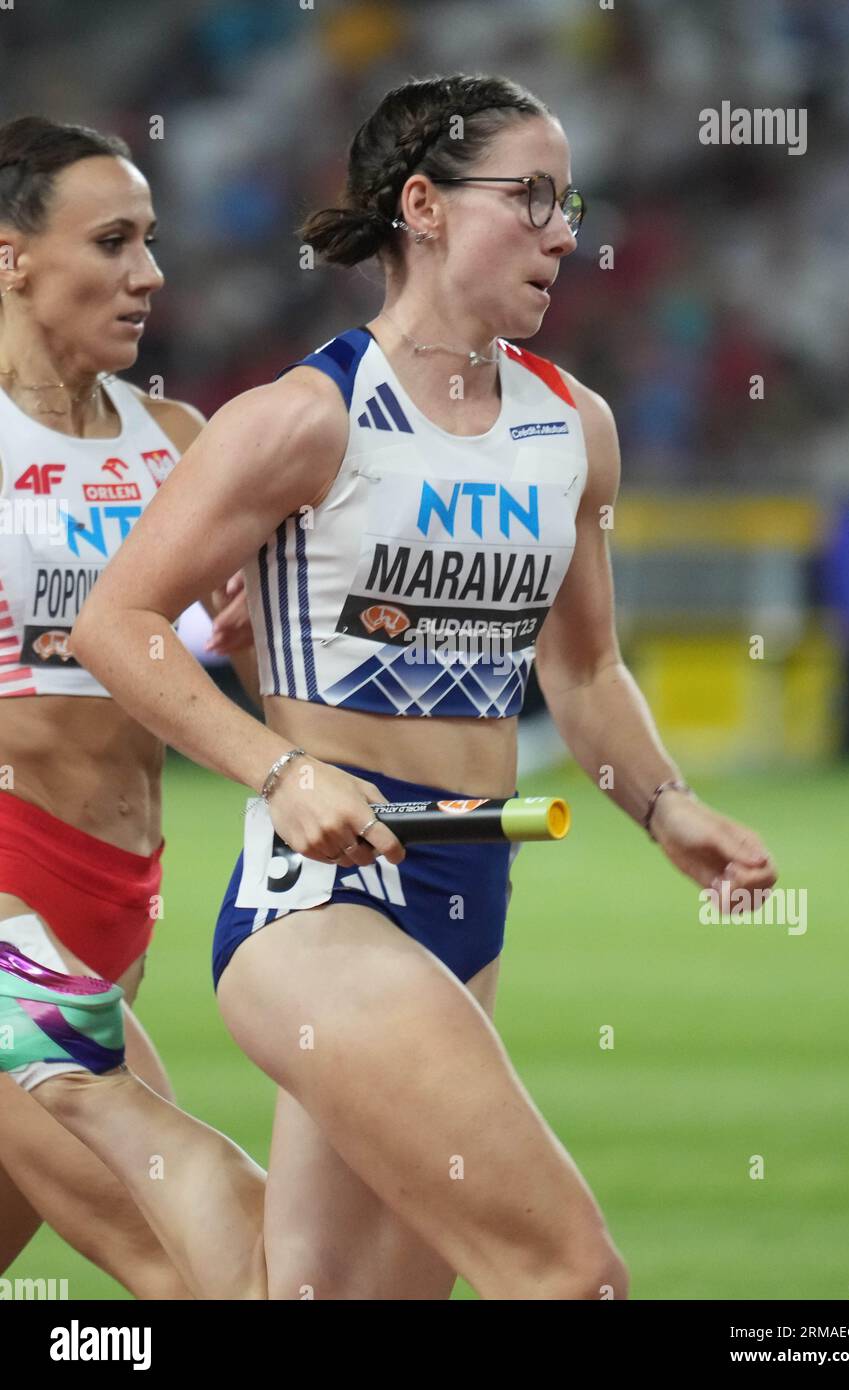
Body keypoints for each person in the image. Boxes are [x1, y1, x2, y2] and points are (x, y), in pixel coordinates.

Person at [70, 74, 777, 1301]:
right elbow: (115, 623)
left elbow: (584, 668)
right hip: (322, 909)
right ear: (424, 206)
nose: (566, 231)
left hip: (471, 886)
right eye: (534, 198)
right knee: (570, 1274)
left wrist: (669, 807)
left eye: (573, 202)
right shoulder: (304, 417)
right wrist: (280, 769)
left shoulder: (574, 428)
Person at [0, 115, 266, 1299]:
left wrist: (259, 649)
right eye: (111, 241)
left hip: (116, 903)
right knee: (210, 1259)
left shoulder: (180, 444)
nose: (149, 275)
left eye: (150, 242)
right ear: (12, 258)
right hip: (13, 904)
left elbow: (238, 665)